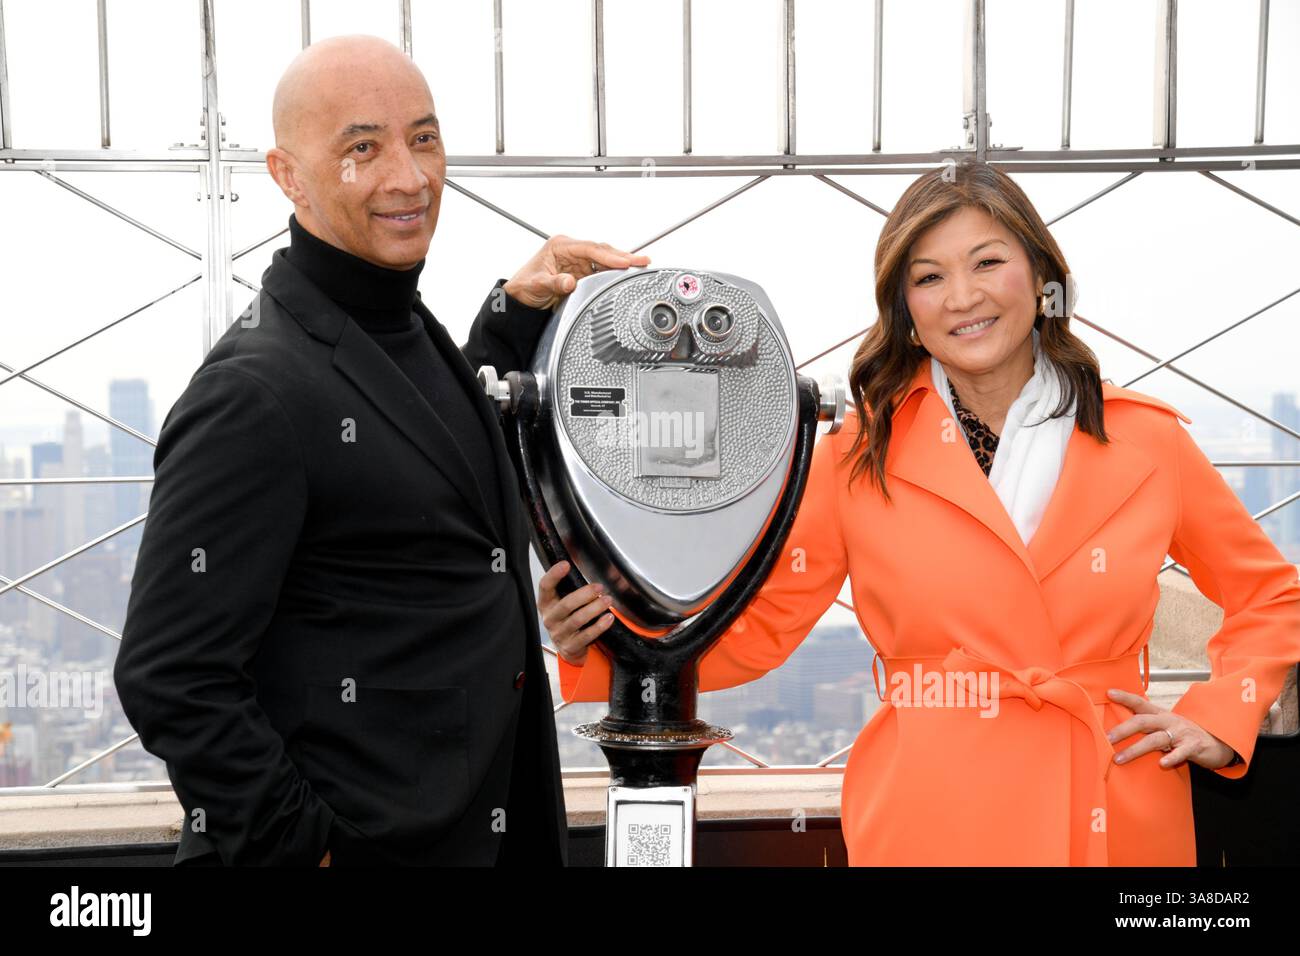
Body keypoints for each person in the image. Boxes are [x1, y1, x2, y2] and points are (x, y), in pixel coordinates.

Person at [540, 161, 1300, 866]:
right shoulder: (856, 453)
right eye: (929, 276)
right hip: (933, 814)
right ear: (904, 307)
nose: (963, 297)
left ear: (1041, 276)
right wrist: (609, 644)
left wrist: (1217, 713)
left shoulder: (1148, 439)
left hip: (1114, 800)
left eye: (988, 262)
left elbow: (1272, 595)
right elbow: (761, 627)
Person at [113, 34, 649, 867]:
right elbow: (169, 675)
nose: (409, 176)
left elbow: (420, 453)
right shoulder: (254, 391)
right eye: (362, 147)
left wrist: (511, 316)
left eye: (424, 138)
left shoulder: (393, 328)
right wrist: (311, 851)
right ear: (287, 175)